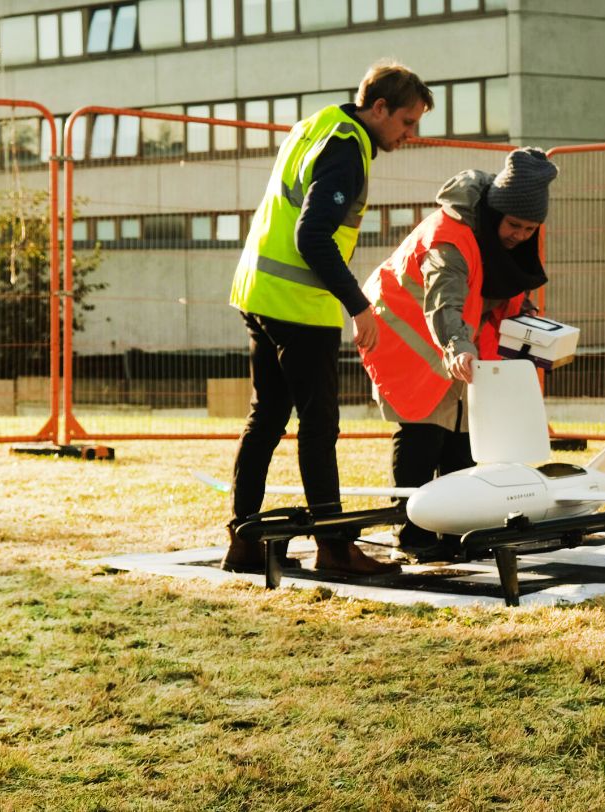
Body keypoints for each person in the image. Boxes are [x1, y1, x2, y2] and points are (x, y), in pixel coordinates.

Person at [223, 60, 432, 576]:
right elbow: (311, 236)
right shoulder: (347, 149)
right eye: (407, 122)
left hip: (259, 291)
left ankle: (244, 540)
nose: (411, 135)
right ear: (378, 107)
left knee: (266, 417)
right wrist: (359, 306)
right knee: (319, 426)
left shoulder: (318, 124)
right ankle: (335, 549)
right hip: (298, 305)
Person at [358, 147, 559, 562]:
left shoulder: (500, 234)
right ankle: (412, 533)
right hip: (403, 331)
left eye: (529, 228)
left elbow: (504, 292)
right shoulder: (447, 238)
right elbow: (444, 302)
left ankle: (454, 532)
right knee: (422, 432)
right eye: (515, 225)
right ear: (495, 213)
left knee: (464, 436)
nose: (520, 235)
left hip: (453, 338)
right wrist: (456, 346)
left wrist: (531, 327)